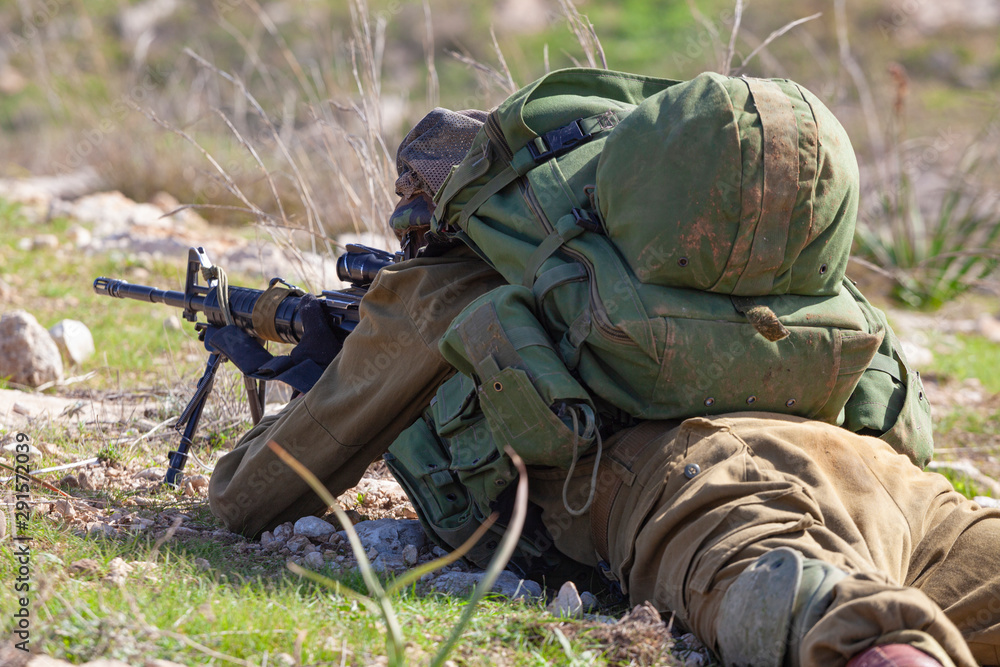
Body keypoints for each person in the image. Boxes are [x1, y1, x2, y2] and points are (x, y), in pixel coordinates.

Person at [209, 82, 1000, 667]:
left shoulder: (457, 271)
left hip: (694, 483)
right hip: (885, 478)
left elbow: (259, 487)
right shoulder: (739, 255)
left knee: (829, 621)